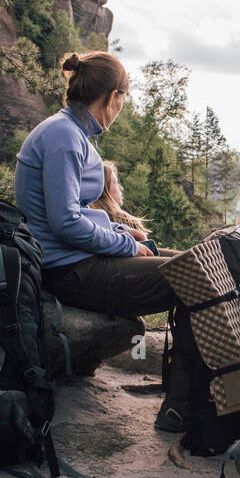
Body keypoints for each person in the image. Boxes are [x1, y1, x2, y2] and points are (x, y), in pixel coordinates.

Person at [14, 51, 176, 317]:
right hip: (67, 271)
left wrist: (119, 230)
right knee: (195, 276)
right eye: (123, 98)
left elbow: (77, 213)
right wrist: (126, 245)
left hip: (77, 260)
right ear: (112, 97)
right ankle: (196, 359)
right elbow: (65, 221)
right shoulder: (63, 135)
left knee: (195, 261)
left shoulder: (70, 132)